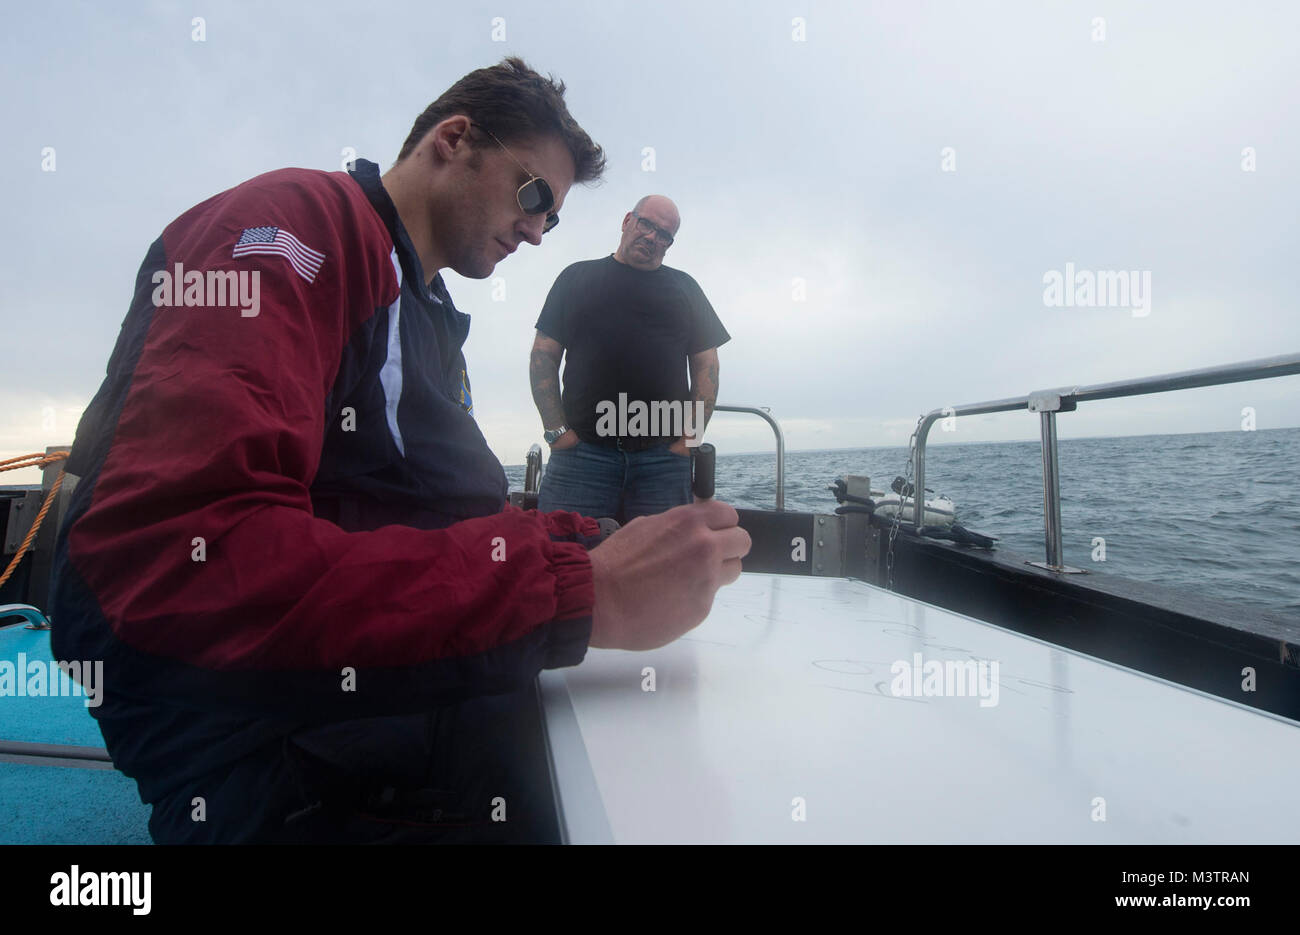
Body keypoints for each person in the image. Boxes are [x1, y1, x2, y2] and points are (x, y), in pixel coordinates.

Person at [49, 58, 750, 844]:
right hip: (281, 760)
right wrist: (575, 592)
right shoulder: (295, 231)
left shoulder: (425, 306)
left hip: (399, 706)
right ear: (454, 140)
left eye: (551, 219)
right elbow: (168, 568)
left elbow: (424, 513)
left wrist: (597, 546)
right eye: (532, 197)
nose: (535, 230)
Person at [531, 195, 729, 522]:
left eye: (664, 234)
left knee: (662, 568)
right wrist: (557, 433)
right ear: (627, 221)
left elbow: (707, 366)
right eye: (646, 224)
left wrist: (689, 441)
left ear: (669, 244)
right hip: (581, 455)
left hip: (663, 461)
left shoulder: (686, 288)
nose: (652, 237)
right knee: (561, 561)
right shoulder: (575, 277)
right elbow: (543, 356)